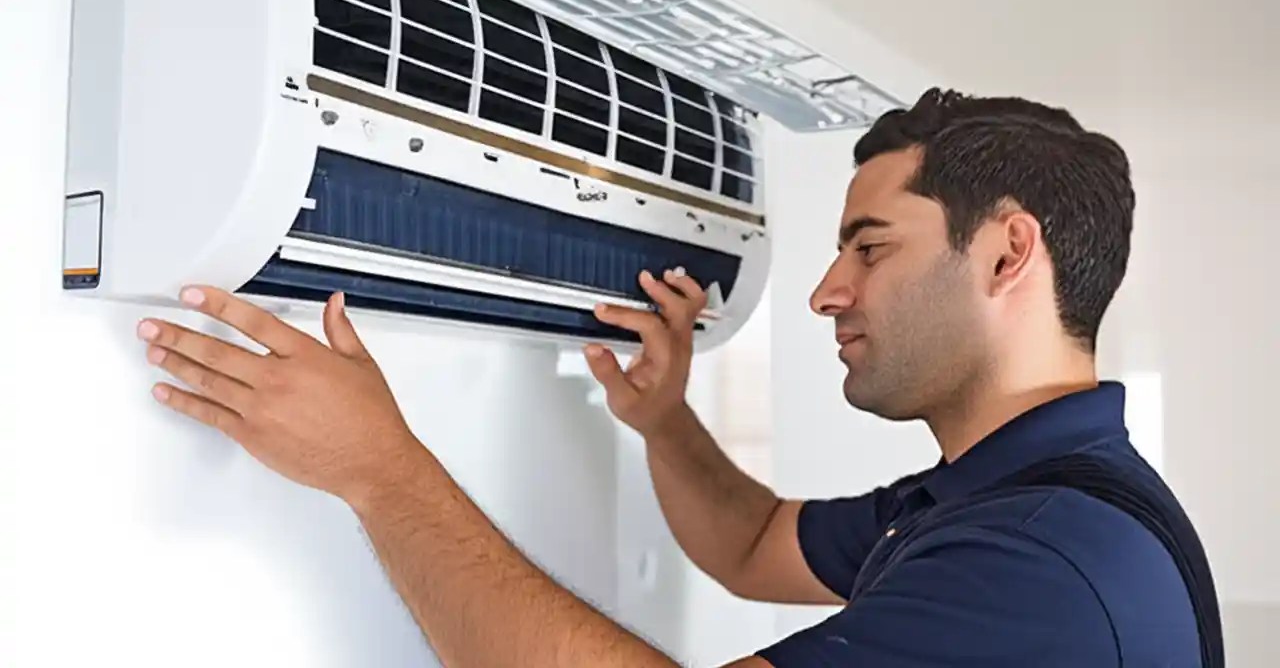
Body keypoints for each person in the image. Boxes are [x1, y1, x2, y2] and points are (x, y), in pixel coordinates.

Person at [133, 88, 1215, 666]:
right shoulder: (1011, 497)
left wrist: (379, 470)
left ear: (1004, 252)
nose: (824, 292)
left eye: (869, 247)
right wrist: (664, 421)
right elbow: (751, 545)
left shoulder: (1040, 563)